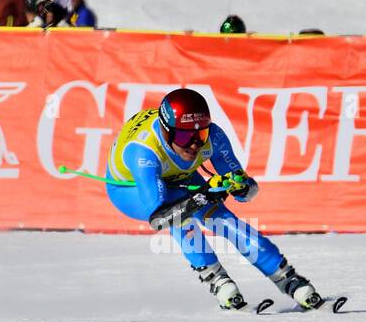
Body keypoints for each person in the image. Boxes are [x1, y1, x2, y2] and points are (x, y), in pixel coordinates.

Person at [106, 88, 325, 310]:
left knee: (223, 218)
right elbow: (160, 217)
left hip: (180, 175)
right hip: (131, 190)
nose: (194, 145)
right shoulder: (143, 152)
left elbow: (249, 192)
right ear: (165, 131)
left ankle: (288, 279)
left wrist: (239, 186)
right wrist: (203, 195)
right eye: (184, 136)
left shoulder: (214, 136)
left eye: (200, 135)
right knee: (182, 218)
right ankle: (218, 281)